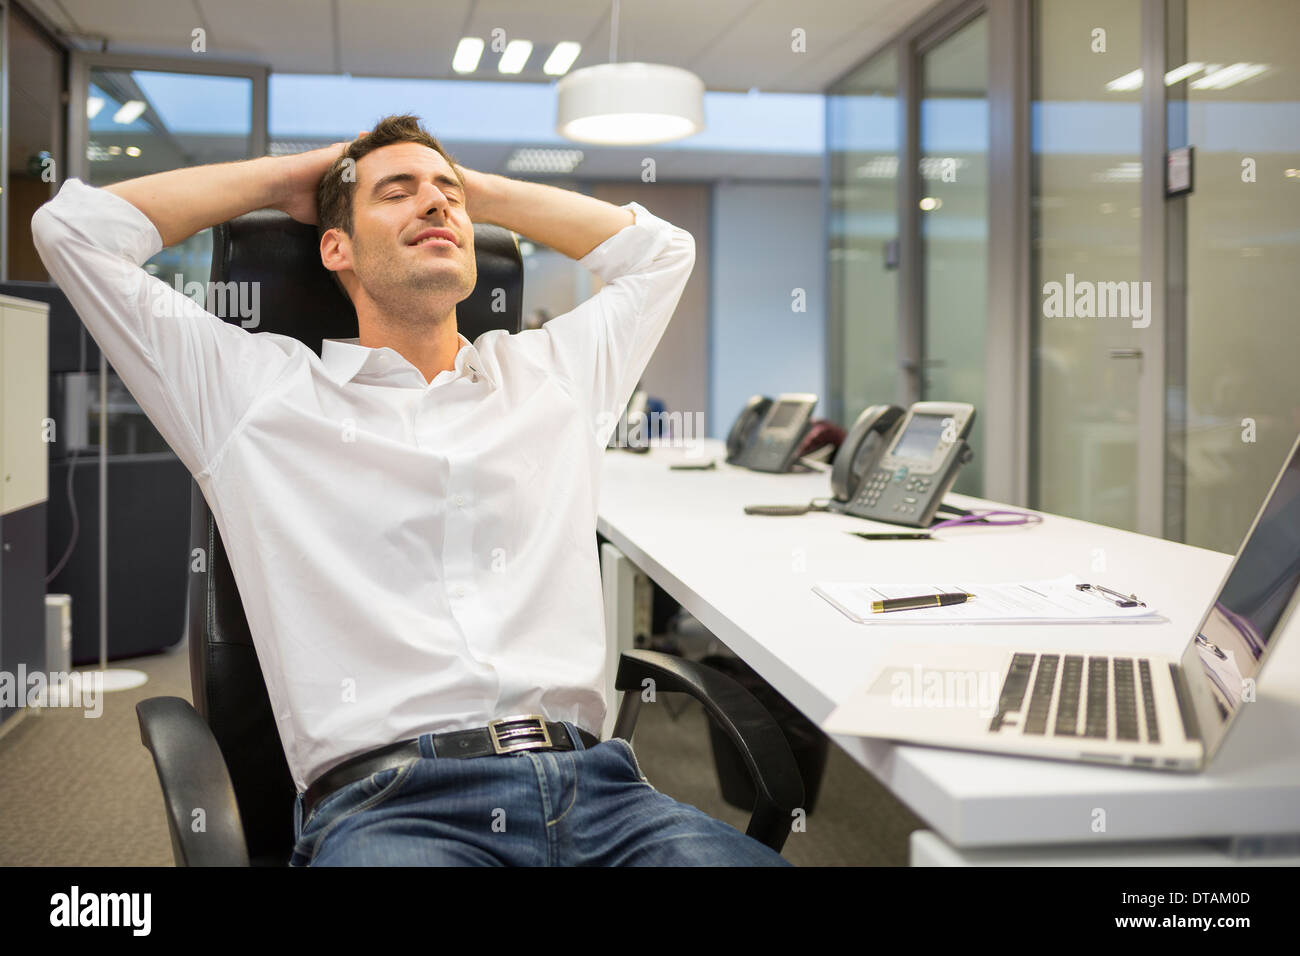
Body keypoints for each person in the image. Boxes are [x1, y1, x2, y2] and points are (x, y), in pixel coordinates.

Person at [31, 114, 789, 866]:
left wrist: (471, 190)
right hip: (397, 811)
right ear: (336, 246)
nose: (435, 205)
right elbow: (73, 232)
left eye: (446, 195)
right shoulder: (251, 395)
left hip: (606, 798)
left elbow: (663, 253)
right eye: (395, 193)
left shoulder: (552, 377)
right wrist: (288, 178)